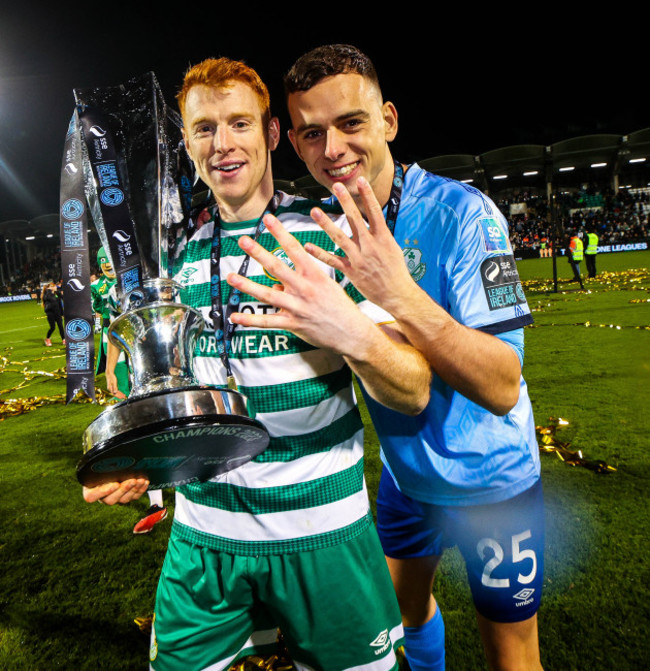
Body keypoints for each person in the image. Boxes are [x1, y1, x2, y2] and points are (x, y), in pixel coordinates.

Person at [83, 56, 431, 671]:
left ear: (271, 135)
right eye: (204, 128)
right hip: (204, 542)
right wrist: (133, 459)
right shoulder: (169, 260)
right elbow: (134, 388)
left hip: (325, 537)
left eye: (240, 124)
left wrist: (352, 332)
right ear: (185, 143)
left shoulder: (330, 232)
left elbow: (412, 389)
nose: (223, 144)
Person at [281, 44, 544, 671]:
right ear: (295, 143)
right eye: (313, 133)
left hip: (492, 483)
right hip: (405, 478)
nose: (334, 148)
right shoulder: (322, 233)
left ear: (389, 121)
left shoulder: (466, 215)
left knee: (510, 652)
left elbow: (504, 384)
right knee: (402, 617)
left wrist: (398, 291)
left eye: (351, 123)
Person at [91, 247, 130, 398]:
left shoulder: (129, 279)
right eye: (103, 261)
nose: (107, 264)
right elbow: (97, 308)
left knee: (134, 359)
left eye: (109, 260)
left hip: (131, 325)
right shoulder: (95, 286)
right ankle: (121, 393)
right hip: (109, 326)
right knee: (116, 360)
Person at [41, 281, 64, 346]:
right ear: (49, 288)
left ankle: (64, 339)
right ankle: (47, 339)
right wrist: (49, 291)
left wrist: (62, 314)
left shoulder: (57, 293)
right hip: (50, 313)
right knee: (52, 327)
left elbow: (61, 302)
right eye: (52, 286)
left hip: (58, 312)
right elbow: (50, 299)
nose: (54, 287)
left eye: (54, 286)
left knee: (61, 327)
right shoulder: (46, 294)